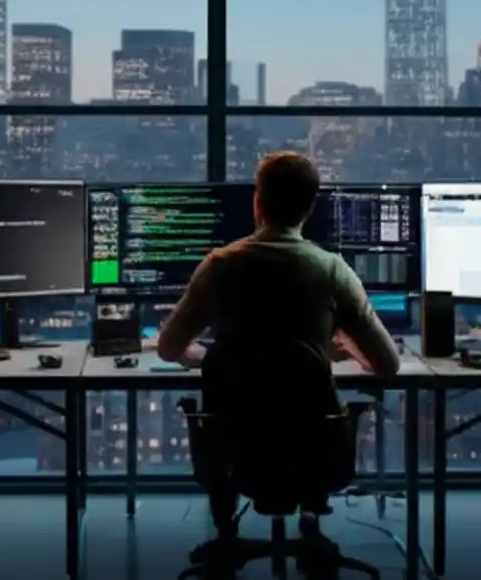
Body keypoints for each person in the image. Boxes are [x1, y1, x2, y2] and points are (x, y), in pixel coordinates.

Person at [157, 151, 400, 543]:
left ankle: (225, 529)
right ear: (310, 206)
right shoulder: (333, 270)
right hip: (313, 452)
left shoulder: (220, 265)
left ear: (257, 202)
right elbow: (387, 364)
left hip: (234, 446)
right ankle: (310, 523)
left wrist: (214, 359)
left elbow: (169, 349)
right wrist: (338, 347)